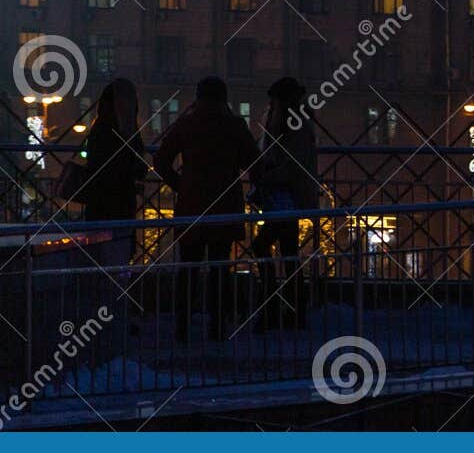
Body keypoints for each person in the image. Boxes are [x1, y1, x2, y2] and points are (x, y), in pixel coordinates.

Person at [153, 77, 257, 342]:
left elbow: (161, 160)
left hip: (192, 206)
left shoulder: (186, 124)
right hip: (224, 205)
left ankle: (183, 326)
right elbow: (253, 161)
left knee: (188, 267)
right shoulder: (234, 125)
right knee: (220, 268)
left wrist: (180, 185)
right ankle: (217, 325)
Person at [249, 78, 318, 330]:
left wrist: (265, 176)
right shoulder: (294, 124)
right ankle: (292, 310)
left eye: (274, 102)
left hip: (285, 195)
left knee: (262, 245)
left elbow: (290, 165)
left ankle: (272, 308)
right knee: (288, 253)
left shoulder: (292, 127)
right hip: (287, 195)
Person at [76, 78, 148, 267]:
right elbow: (138, 167)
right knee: (117, 258)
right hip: (121, 205)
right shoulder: (129, 132)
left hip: (99, 205)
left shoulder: (99, 129)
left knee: (99, 257)